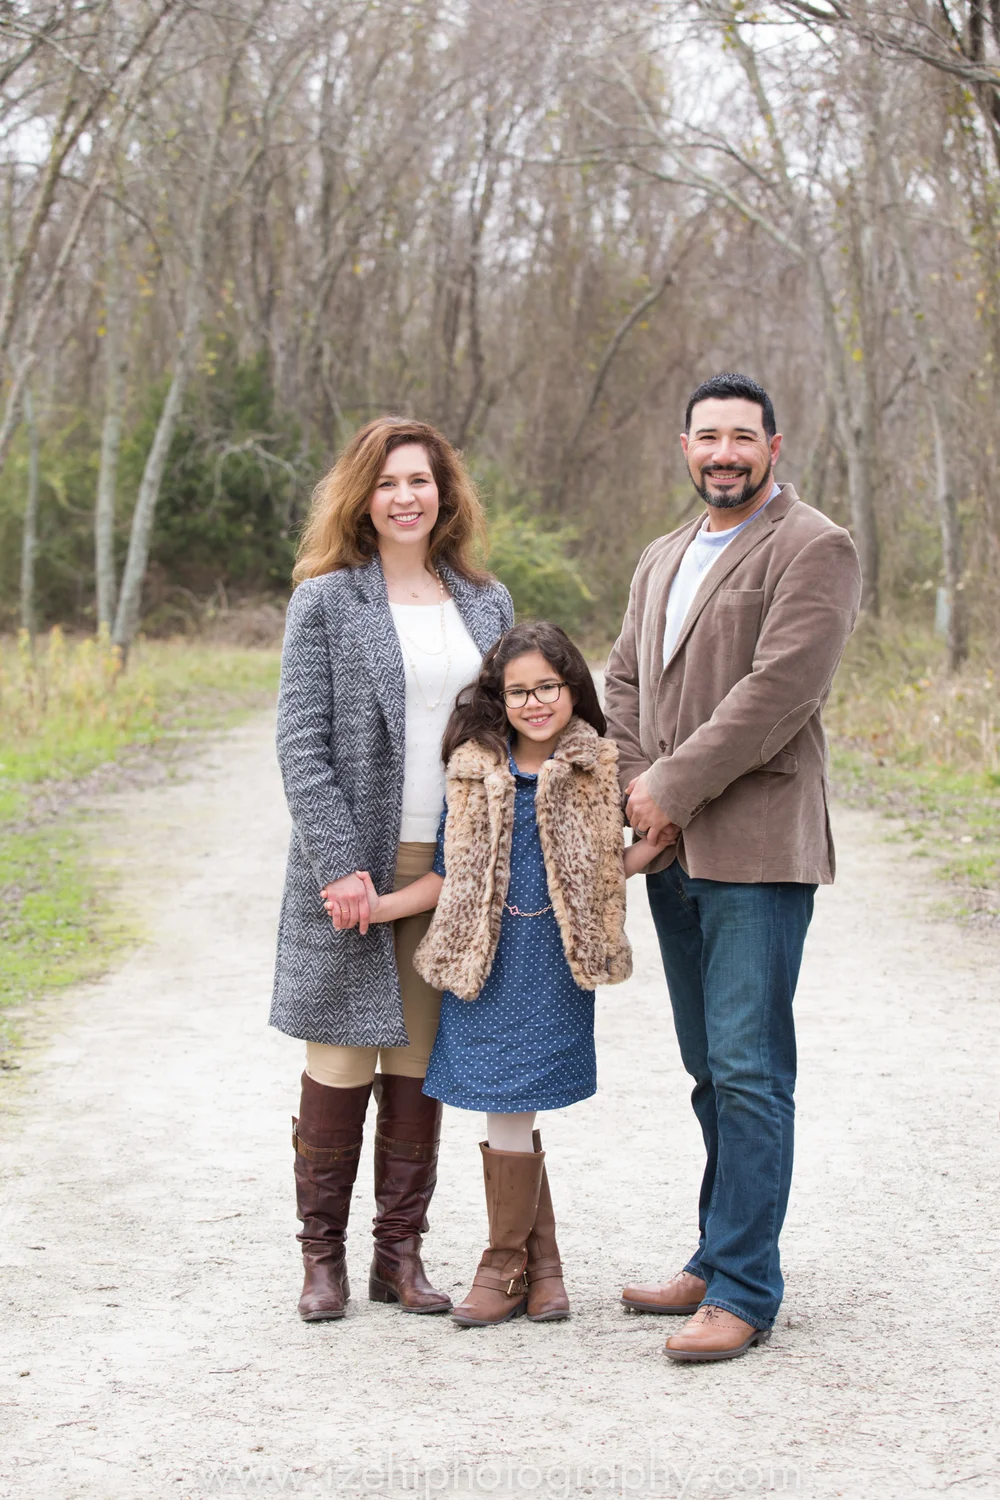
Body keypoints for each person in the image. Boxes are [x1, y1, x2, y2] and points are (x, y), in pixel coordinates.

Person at [605, 372, 862, 1363]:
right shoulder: (660, 555)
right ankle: (717, 1254)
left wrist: (669, 786)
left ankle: (748, 1290)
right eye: (706, 436)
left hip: (754, 848)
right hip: (671, 846)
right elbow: (623, 678)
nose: (723, 452)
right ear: (683, 448)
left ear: (773, 445)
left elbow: (777, 694)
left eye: (741, 437)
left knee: (751, 1071)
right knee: (708, 1069)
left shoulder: (813, 547)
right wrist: (637, 787)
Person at [330, 622, 665, 1326]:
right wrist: (383, 906)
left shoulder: (593, 765)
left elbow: (605, 868)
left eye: (548, 686)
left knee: (516, 1102)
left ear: (572, 687)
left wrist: (649, 850)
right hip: (485, 956)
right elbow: (450, 875)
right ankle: (540, 1271)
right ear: (499, 698)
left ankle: (502, 1263)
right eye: (518, 691)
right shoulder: (475, 768)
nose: (535, 702)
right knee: (503, 1101)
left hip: (553, 961)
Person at [271, 416, 513, 1322]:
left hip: (448, 866)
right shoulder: (327, 600)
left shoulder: (485, 603)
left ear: (445, 495)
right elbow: (302, 743)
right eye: (388, 482)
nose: (406, 496)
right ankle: (321, 1260)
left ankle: (398, 1256)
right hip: (355, 867)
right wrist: (338, 865)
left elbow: (504, 735)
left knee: (417, 1067)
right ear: (361, 498)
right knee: (338, 1063)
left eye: (421, 480)